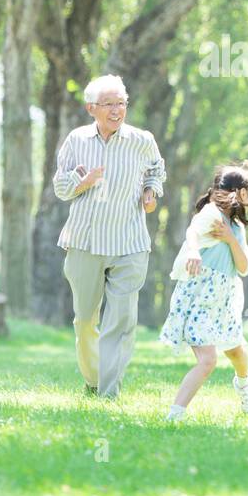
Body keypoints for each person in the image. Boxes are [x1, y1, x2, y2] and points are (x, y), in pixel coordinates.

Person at [53, 75, 166, 397]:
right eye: (109, 104)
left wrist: (150, 191)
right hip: (85, 241)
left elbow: (157, 170)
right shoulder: (77, 140)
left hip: (129, 242)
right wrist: (84, 182)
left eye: (121, 103)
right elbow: (60, 188)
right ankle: (93, 379)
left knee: (122, 320)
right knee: (85, 320)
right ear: (92, 108)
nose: (117, 110)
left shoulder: (141, 140)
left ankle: (108, 390)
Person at [161, 161, 248, 421]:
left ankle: (244, 385)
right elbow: (192, 231)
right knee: (208, 360)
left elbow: (244, 267)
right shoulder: (211, 214)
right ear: (239, 192)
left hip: (224, 301)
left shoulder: (235, 228)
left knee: (237, 353)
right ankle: (175, 414)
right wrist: (193, 251)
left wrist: (230, 239)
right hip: (199, 299)